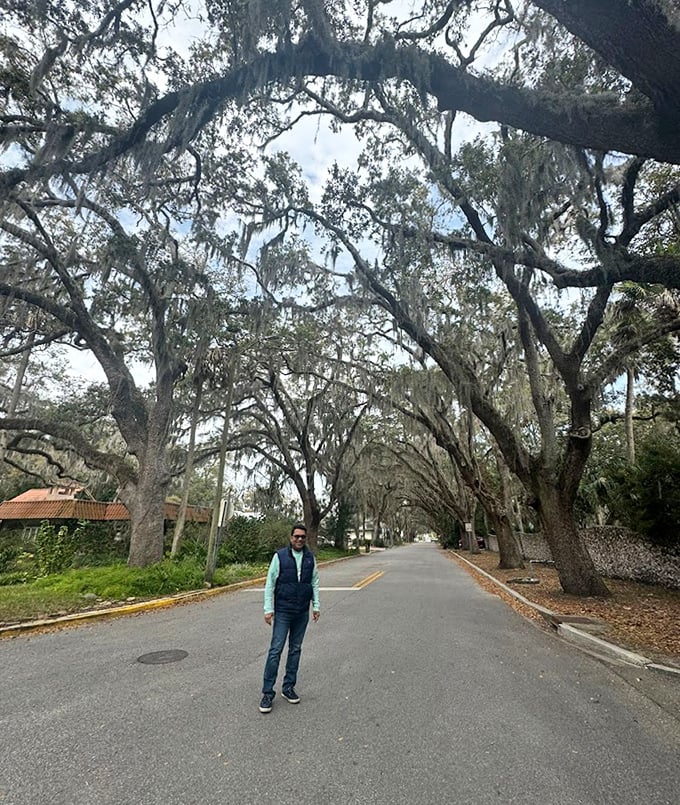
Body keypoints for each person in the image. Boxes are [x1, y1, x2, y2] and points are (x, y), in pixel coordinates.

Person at [259, 522, 320, 714]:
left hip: (301, 612)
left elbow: (314, 583)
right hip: (283, 611)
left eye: (303, 536)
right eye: (296, 536)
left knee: (295, 649)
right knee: (276, 650)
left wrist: (316, 606)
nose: (299, 539)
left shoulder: (310, 558)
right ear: (291, 537)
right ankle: (268, 692)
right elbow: (270, 583)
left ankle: (288, 687)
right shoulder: (280, 557)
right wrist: (268, 610)